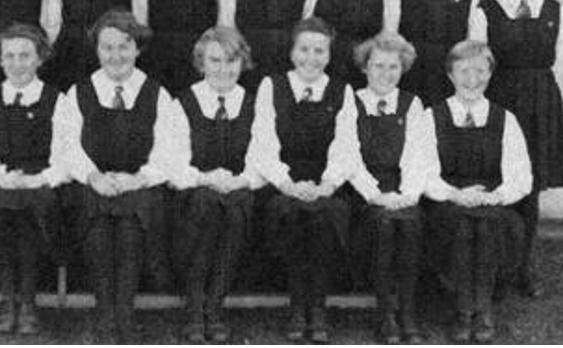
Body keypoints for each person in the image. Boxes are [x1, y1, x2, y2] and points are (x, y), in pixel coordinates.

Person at [58, 9, 186, 342]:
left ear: (137, 49)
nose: (116, 56)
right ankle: (105, 312)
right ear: (97, 51)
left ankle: (124, 312)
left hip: (140, 186)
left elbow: (169, 151)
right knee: (98, 228)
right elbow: (68, 147)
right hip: (94, 185)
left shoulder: (157, 94)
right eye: (107, 48)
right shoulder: (79, 93)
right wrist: (93, 176)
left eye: (124, 47)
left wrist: (139, 178)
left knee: (131, 227)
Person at [471, 0, 563, 298]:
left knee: (530, 189)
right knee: (501, 182)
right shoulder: (487, 11)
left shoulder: (556, 9)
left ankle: (523, 268)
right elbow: (479, 62)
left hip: (540, 104)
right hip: (501, 101)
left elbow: (558, 63)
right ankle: (496, 269)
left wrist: (537, 94)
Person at [169, 27, 284, 343]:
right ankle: (195, 307)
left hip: (238, 193)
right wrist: (206, 178)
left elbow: (265, 155)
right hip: (193, 195)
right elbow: (173, 164)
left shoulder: (254, 102)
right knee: (207, 204)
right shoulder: (183, 102)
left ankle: (215, 306)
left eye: (232, 61)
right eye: (215, 60)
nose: (223, 69)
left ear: (243, 63)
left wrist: (240, 180)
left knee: (233, 208)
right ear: (201, 63)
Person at [253, 17, 361, 344]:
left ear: (329, 55)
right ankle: (299, 307)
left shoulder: (342, 91)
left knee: (324, 215)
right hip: (283, 185)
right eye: (304, 49)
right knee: (293, 213)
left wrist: (327, 185)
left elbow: (347, 147)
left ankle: (317, 308)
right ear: (291, 51)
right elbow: (263, 143)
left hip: (326, 185)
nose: (311, 58)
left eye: (319, 51)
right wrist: (288, 184)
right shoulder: (272, 86)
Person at [422, 41, 531, 344]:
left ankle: (480, 309)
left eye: (480, 71)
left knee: (486, 223)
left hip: (491, 202)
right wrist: (455, 194)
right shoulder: (432, 116)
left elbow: (521, 176)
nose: (472, 78)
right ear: (450, 74)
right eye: (464, 71)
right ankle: (462, 309)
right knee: (462, 224)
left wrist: (495, 196)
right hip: (447, 203)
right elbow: (423, 172)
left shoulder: (505, 119)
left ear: (491, 74)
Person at [0, 24, 71, 335]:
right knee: (1, 205)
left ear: (39, 59)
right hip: (2, 181)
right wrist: (1, 176)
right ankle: (6, 298)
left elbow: (66, 157)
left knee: (33, 208)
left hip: (41, 182)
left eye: (25, 55)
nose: (17, 63)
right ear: (0, 61)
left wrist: (39, 179)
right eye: (9, 56)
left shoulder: (57, 99)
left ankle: (27, 300)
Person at [344, 33, 432, 344]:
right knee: (382, 224)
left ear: (403, 69)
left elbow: (417, 156)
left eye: (393, 67)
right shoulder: (351, 101)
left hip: (402, 189)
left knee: (408, 223)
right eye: (378, 66)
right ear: (365, 68)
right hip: (362, 192)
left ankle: (406, 312)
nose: (385, 73)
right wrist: (376, 195)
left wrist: (406, 195)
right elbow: (349, 157)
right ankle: (385, 315)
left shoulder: (412, 104)